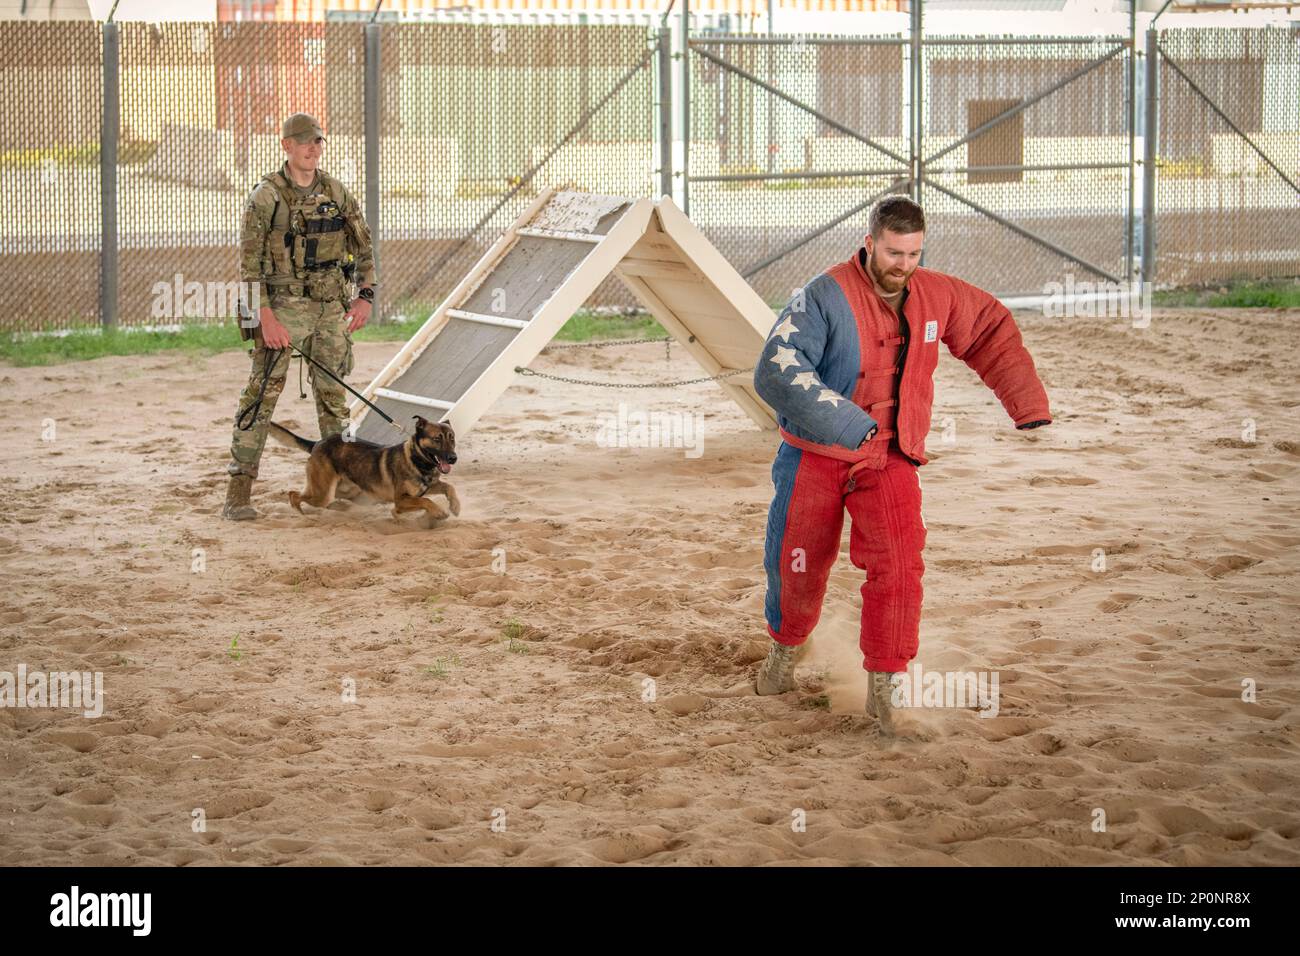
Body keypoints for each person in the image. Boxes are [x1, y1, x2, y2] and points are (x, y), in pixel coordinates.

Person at [751, 195, 1052, 735]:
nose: (903, 265)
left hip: (891, 458)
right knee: (796, 561)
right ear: (870, 244)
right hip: (814, 456)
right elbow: (776, 369)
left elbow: (989, 331)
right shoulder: (821, 295)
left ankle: (887, 689)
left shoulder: (938, 294)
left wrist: (1027, 405)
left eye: (914, 253)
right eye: (893, 253)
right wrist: (844, 423)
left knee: (899, 568)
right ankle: (785, 649)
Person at [222, 112, 377, 520]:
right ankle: (238, 492)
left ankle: (341, 482)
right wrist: (266, 317)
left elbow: (364, 251)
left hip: (330, 310)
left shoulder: (336, 193)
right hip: (283, 309)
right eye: (306, 141)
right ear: (286, 145)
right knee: (261, 397)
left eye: (319, 141)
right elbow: (249, 268)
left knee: (334, 398)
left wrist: (365, 297)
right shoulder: (266, 197)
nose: (314, 148)